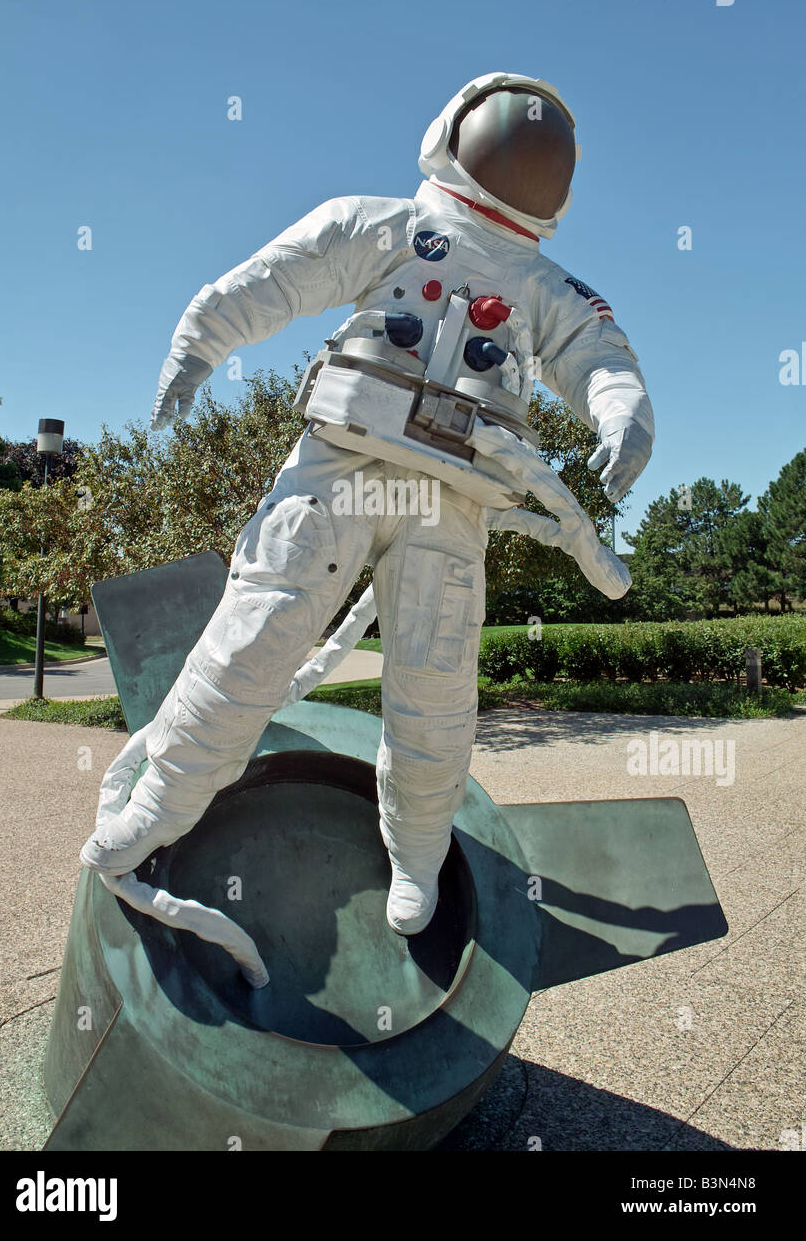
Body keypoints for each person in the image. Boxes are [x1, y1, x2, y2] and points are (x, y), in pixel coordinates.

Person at [81, 71, 655, 938]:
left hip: (451, 501)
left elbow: (602, 359)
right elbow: (278, 277)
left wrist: (624, 418)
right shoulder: (389, 227)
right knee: (255, 639)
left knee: (434, 684)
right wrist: (199, 343)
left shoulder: (547, 289)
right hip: (343, 466)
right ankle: (156, 807)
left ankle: (418, 852)